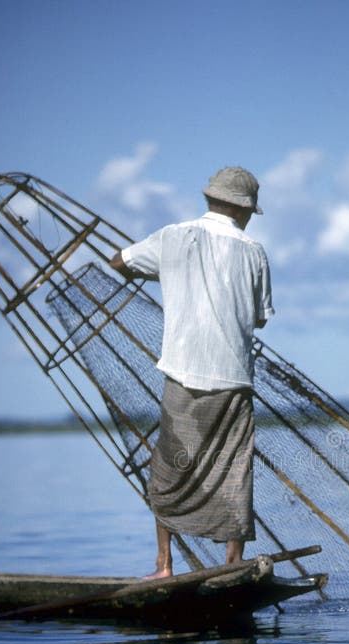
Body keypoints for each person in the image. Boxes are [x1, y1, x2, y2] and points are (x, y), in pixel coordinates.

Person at [110, 166, 273, 578]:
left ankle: (163, 565)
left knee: (168, 466)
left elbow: (119, 261)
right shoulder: (254, 252)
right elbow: (260, 318)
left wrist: (158, 270)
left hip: (182, 374)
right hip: (233, 380)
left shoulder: (172, 237)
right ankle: (232, 565)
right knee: (234, 469)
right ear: (244, 210)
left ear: (210, 200)